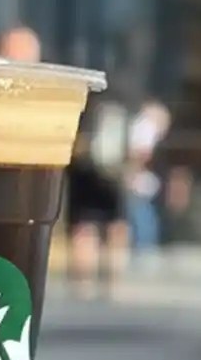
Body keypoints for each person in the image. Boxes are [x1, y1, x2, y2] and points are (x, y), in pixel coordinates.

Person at [65, 104, 127, 297]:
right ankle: (112, 281)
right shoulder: (120, 108)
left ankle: (84, 283)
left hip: (84, 167)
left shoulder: (82, 104)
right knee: (113, 226)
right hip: (111, 171)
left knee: (85, 227)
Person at [125, 99, 171, 268]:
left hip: (140, 176)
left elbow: (142, 152)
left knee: (140, 212)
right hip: (145, 176)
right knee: (143, 212)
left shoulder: (143, 126)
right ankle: (144, 246)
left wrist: (133, 170)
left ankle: (143, 247)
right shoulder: (150, 127)